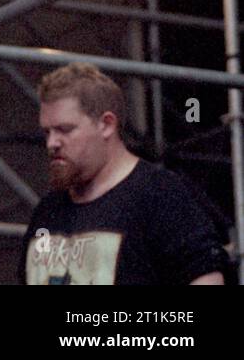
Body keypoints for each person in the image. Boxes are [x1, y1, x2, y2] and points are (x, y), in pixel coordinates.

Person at [21, 62, 229, 285]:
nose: (52, 143)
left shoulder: (159, 195)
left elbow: (208, 279)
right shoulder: (47, 211)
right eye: (47, 132)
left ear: (106, 124)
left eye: (65, 129)